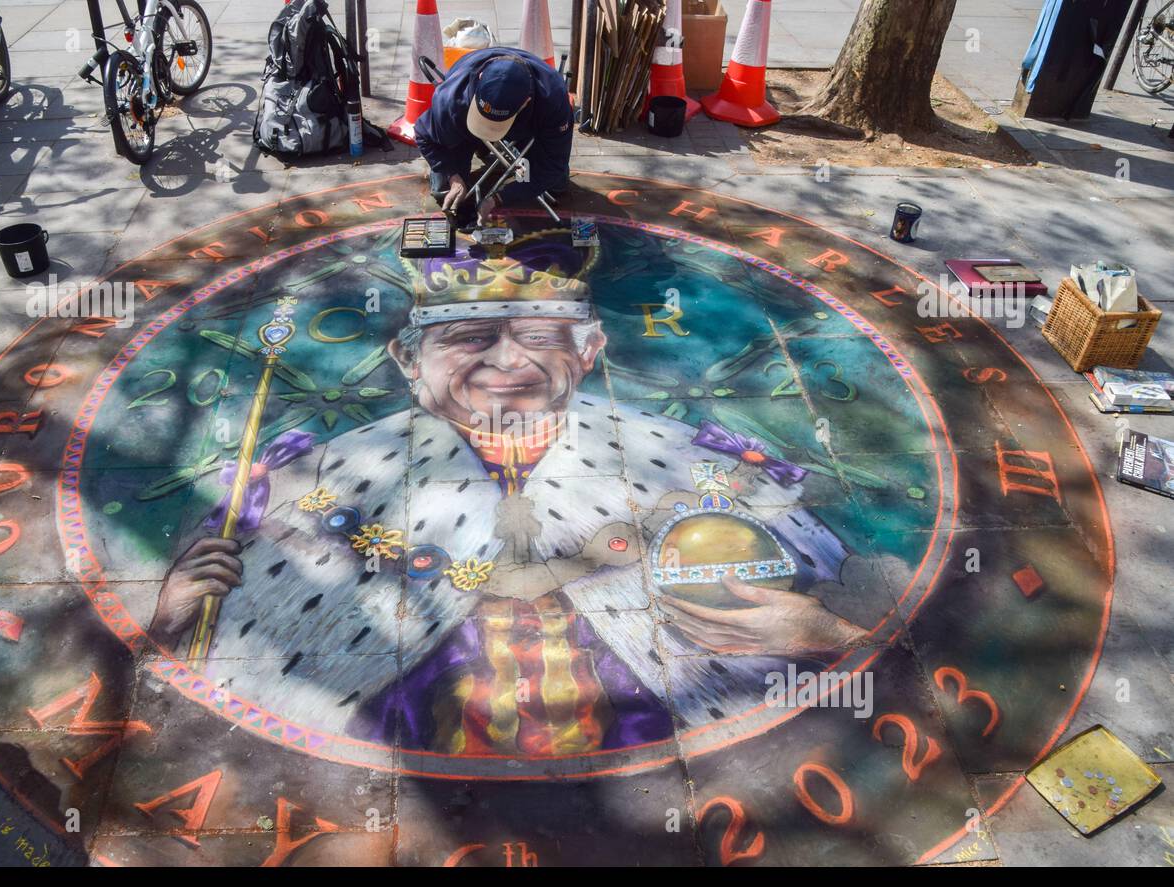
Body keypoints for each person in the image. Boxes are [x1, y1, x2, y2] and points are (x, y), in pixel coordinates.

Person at [147, 231, 869, 755]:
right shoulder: (306, 476)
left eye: (537, 336)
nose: (507, 361)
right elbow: (212, 656)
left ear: (588, 352)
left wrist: (829, 637)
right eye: (467, 337)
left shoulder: (692, 461)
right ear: (408, 360)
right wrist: (173, 618)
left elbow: (832, 619)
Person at [414, 47, 572, 225]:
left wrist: (500, 198)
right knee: (443, 191)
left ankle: (495, 145)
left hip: (527, 127)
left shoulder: (553, 100)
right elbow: (423, 136)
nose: (488, 130)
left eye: (495, 125)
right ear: (480, 79)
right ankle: (477, 146)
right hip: (464, 121)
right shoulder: (452, 97)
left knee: (555, 184)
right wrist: (453, 177)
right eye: (484, 118)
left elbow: (553, 164)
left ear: (525, 102)